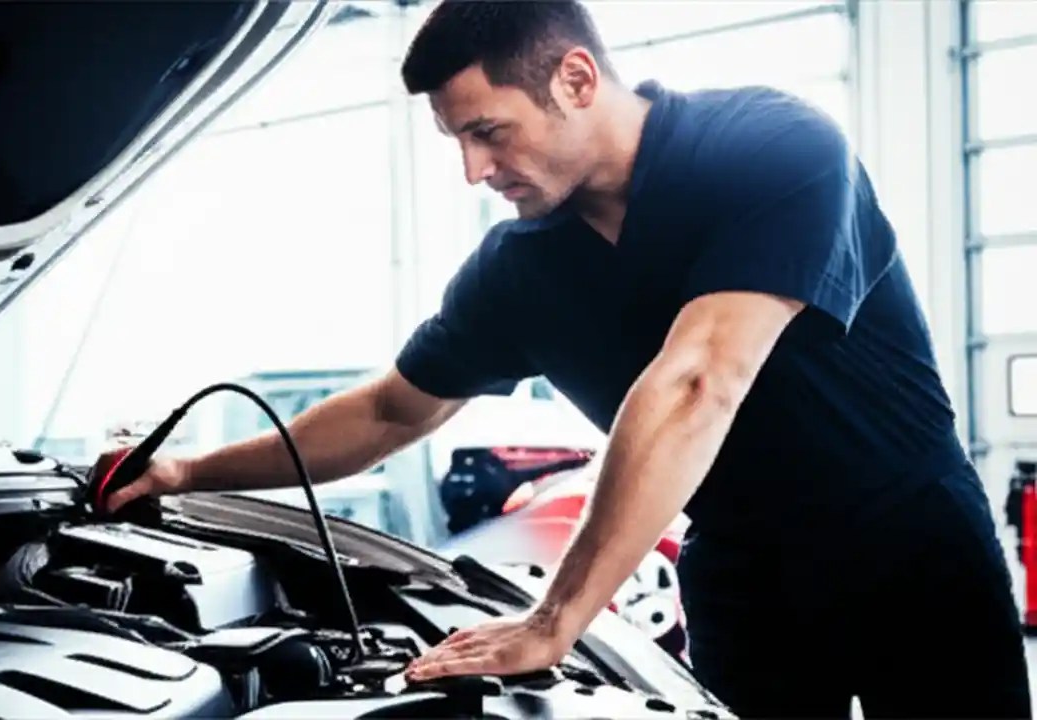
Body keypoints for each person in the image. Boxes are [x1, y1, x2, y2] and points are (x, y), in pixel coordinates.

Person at [101, 1, 1031, 717]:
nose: (474, 171)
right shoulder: (519, 269)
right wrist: (184, 472)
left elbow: (701, 380)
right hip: (743, 573)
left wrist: (557, 620)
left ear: (576, 79)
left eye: (487, 132)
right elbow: (389, 411)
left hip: (908, 546)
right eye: (457, 142)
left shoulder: (774, 148)